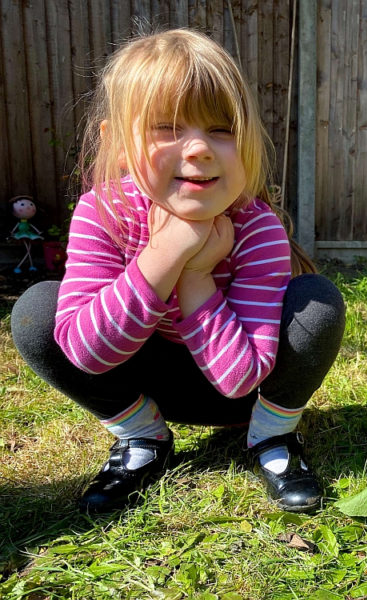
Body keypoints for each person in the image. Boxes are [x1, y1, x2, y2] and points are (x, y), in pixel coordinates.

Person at [10, 29, 345, 515]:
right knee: (37, 313)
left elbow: (239, 379)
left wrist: (197, 277)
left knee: (317, 303)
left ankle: (272, 441)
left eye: (221, 129)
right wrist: (166, 252)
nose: (198, 149)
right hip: (140, 383)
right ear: (119, 144)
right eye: (167, 128)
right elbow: (86, 352)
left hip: (242, 396)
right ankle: (143, 438)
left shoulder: (257, 229)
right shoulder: (101, 214)